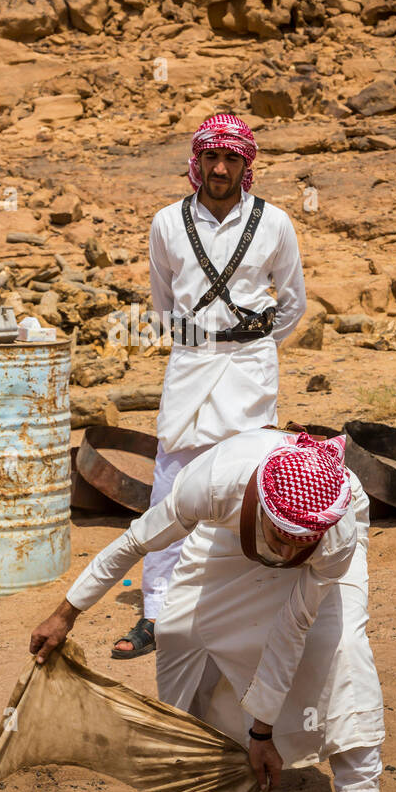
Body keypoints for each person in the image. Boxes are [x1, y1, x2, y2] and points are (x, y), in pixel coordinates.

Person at [31, 428, 388, 792]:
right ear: (259, 504)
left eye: (299, 545)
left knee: (339, 647)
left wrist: (262, 732)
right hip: (230, 532)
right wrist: (65, 614)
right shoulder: (214, 484)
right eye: (280, 540)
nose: (287, 557)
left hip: (319, 546)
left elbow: (292, 629)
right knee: (180, 630)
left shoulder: (334, 536)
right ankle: (191, 764)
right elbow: (133, 544)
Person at [111, 111, 306, 660]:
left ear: (247, 165)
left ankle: (239, 606)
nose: (219, 167)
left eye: (230, 158)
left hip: (249, 368)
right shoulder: (166, 223)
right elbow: (161, 305)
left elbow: (292, 303)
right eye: (210, 157)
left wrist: (253, 346)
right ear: (195, 162)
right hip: (190, 364)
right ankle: (155, 612)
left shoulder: (276, 223)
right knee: (171, 482)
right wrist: (202, 342)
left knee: (246, 480)